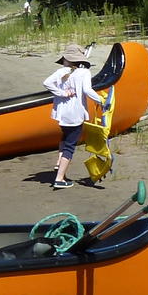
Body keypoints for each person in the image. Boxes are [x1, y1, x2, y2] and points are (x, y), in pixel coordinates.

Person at [43, 43, 106, 189]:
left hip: (62, 114)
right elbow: (87, 90)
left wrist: (61, 93)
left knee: (65, 137)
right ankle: (59, 179)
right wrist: (102, 101)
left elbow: (47, 83)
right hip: (74, 114)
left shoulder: (63, 71)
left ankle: (59, 163)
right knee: (70, 146)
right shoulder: (83, 73)